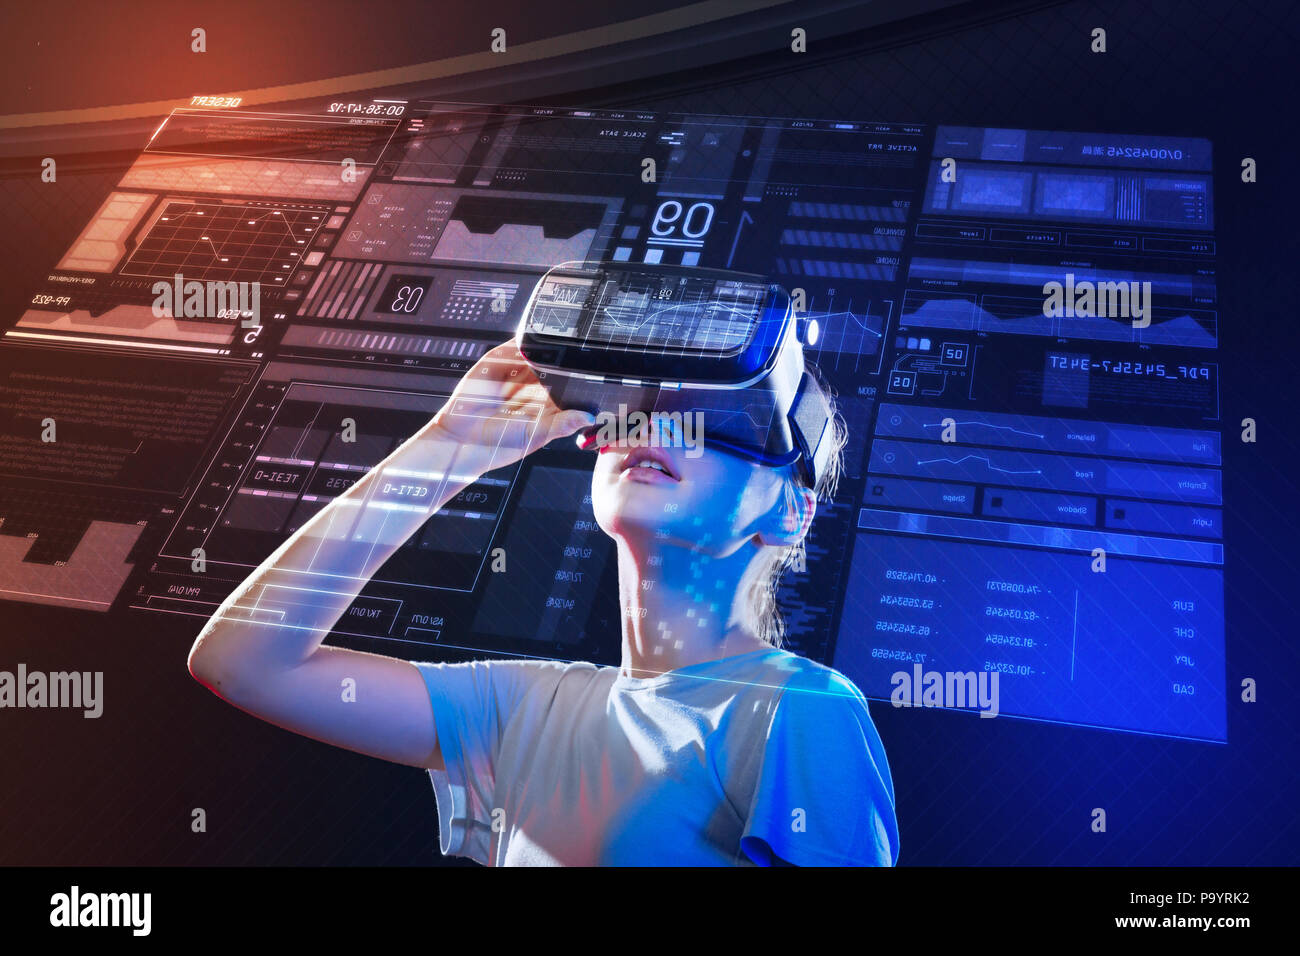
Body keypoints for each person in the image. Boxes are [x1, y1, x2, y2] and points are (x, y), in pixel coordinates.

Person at [187, 339, 899, 866]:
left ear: (790, 511)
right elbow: (245, 664)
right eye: (635, 406)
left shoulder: (797, 705)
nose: (656, 422)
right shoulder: (523, 706)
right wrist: (450, 446)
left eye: (716, 412)